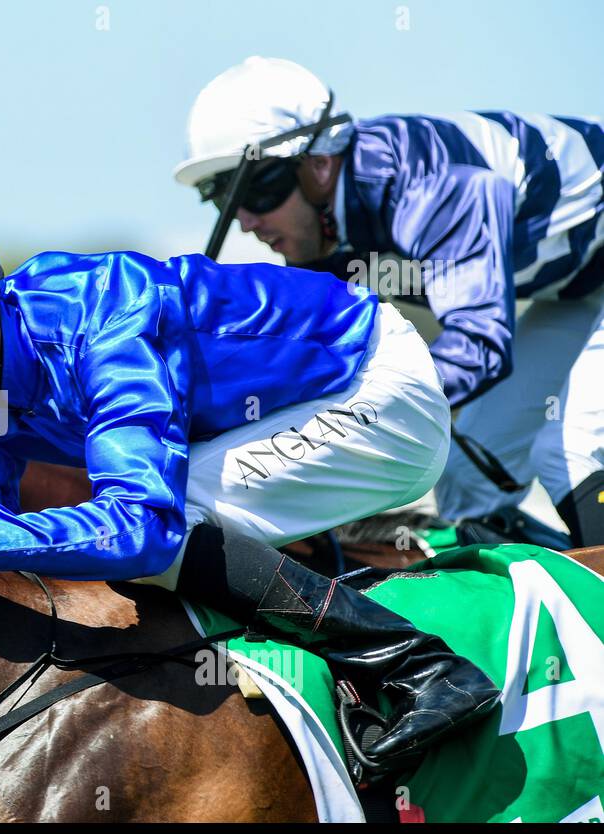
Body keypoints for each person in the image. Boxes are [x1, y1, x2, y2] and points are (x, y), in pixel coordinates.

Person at [0, 200, 498, 771]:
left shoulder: (105, 316)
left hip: (377, 387)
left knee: (164, 528)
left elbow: (139, 529)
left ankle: (421, 668)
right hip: (275, 414)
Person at [174, 56, 604, 547]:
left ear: (319, 163)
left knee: (571, 450)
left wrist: (351, 412)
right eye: (221, 197)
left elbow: (480, 346)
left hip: (580, 279)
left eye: (255, 191)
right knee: (467, 480)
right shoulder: (325, 225)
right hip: (574, 289)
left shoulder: (429, 187)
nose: (247, 221)